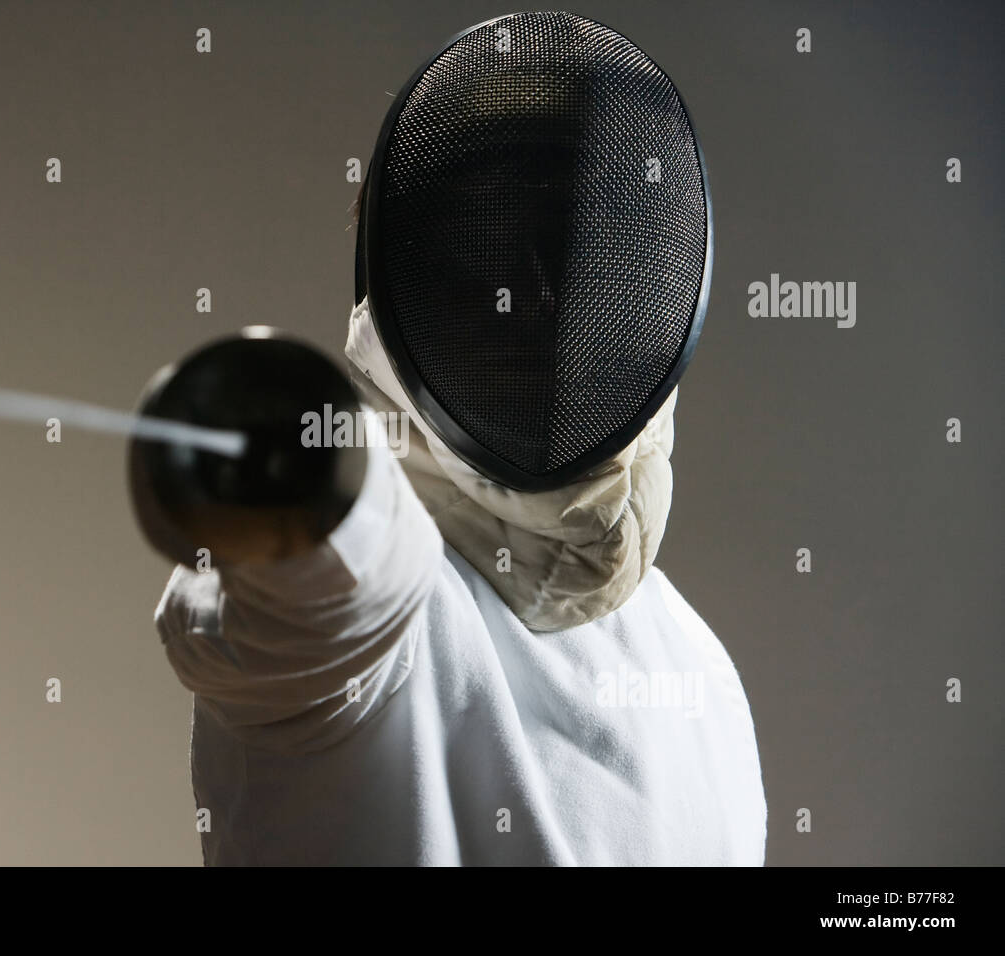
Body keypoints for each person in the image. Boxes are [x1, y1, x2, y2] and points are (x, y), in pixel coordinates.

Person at [133, 12, 767, 865]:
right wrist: (305, 492)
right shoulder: (373, 612)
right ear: (410, 273)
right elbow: (321, 600)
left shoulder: (701, 677)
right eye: (498, 241)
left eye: (580, 239)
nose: (543, 294)